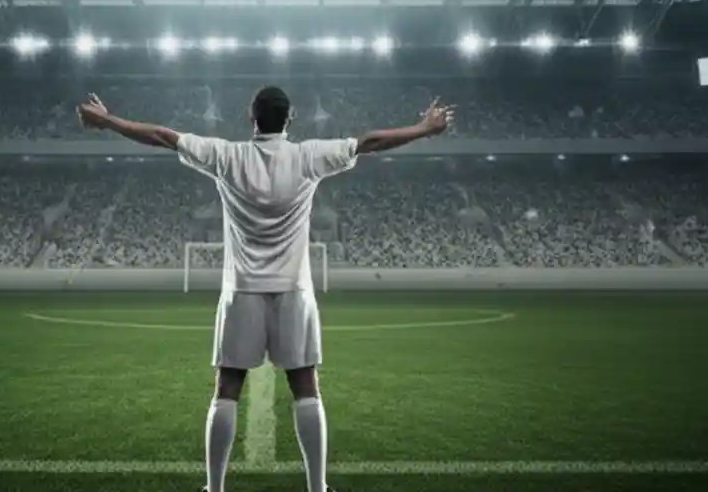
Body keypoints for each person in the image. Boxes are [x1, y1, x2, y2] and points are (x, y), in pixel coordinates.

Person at [77, 86, 455, 492]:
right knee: (305, 386)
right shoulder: (307, 157)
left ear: (249, 117)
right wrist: (424, 128)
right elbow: (370, 143)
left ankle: (215, 488)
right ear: (290, 120)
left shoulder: (228, 156)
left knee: (227, 389)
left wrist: (108, 121)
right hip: (294, 290)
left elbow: (163, 137)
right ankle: (317, 487)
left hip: (241, 290)